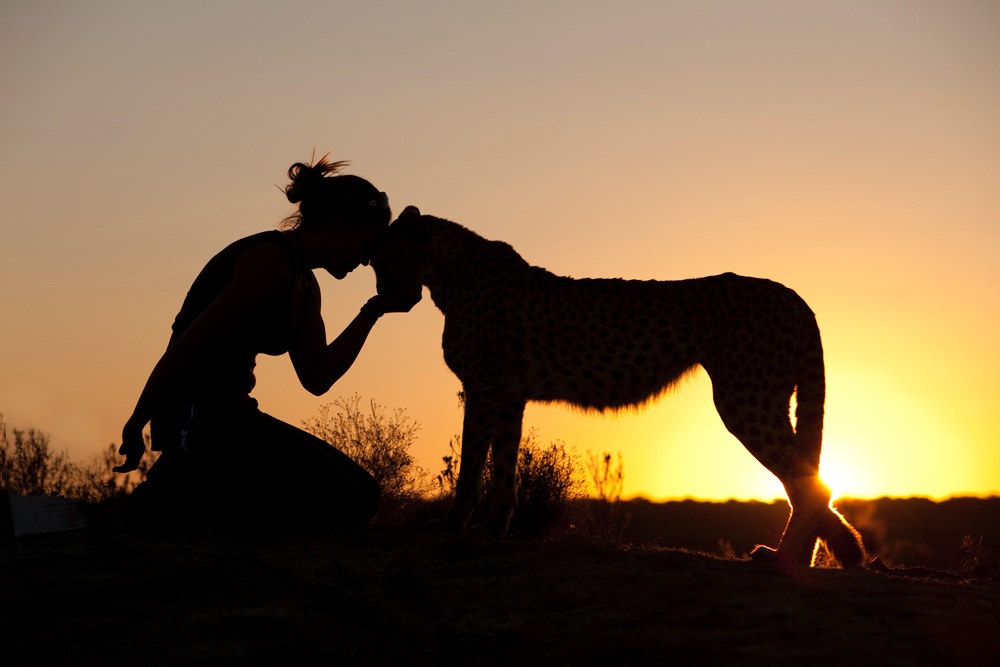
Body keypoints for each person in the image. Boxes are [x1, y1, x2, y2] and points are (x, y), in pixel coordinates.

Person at [115, 154, 417, 534]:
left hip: (234, 413)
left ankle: (198, 495)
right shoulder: (269, 263)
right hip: (200, 418)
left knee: (367, 495)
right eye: (367, 245)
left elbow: (317, 376)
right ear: (339, 225)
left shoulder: (305, 283)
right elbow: (187, 348)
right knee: (345, 503)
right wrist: (136, 420)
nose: (368, 260)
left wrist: (374, 311)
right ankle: (176, 501)